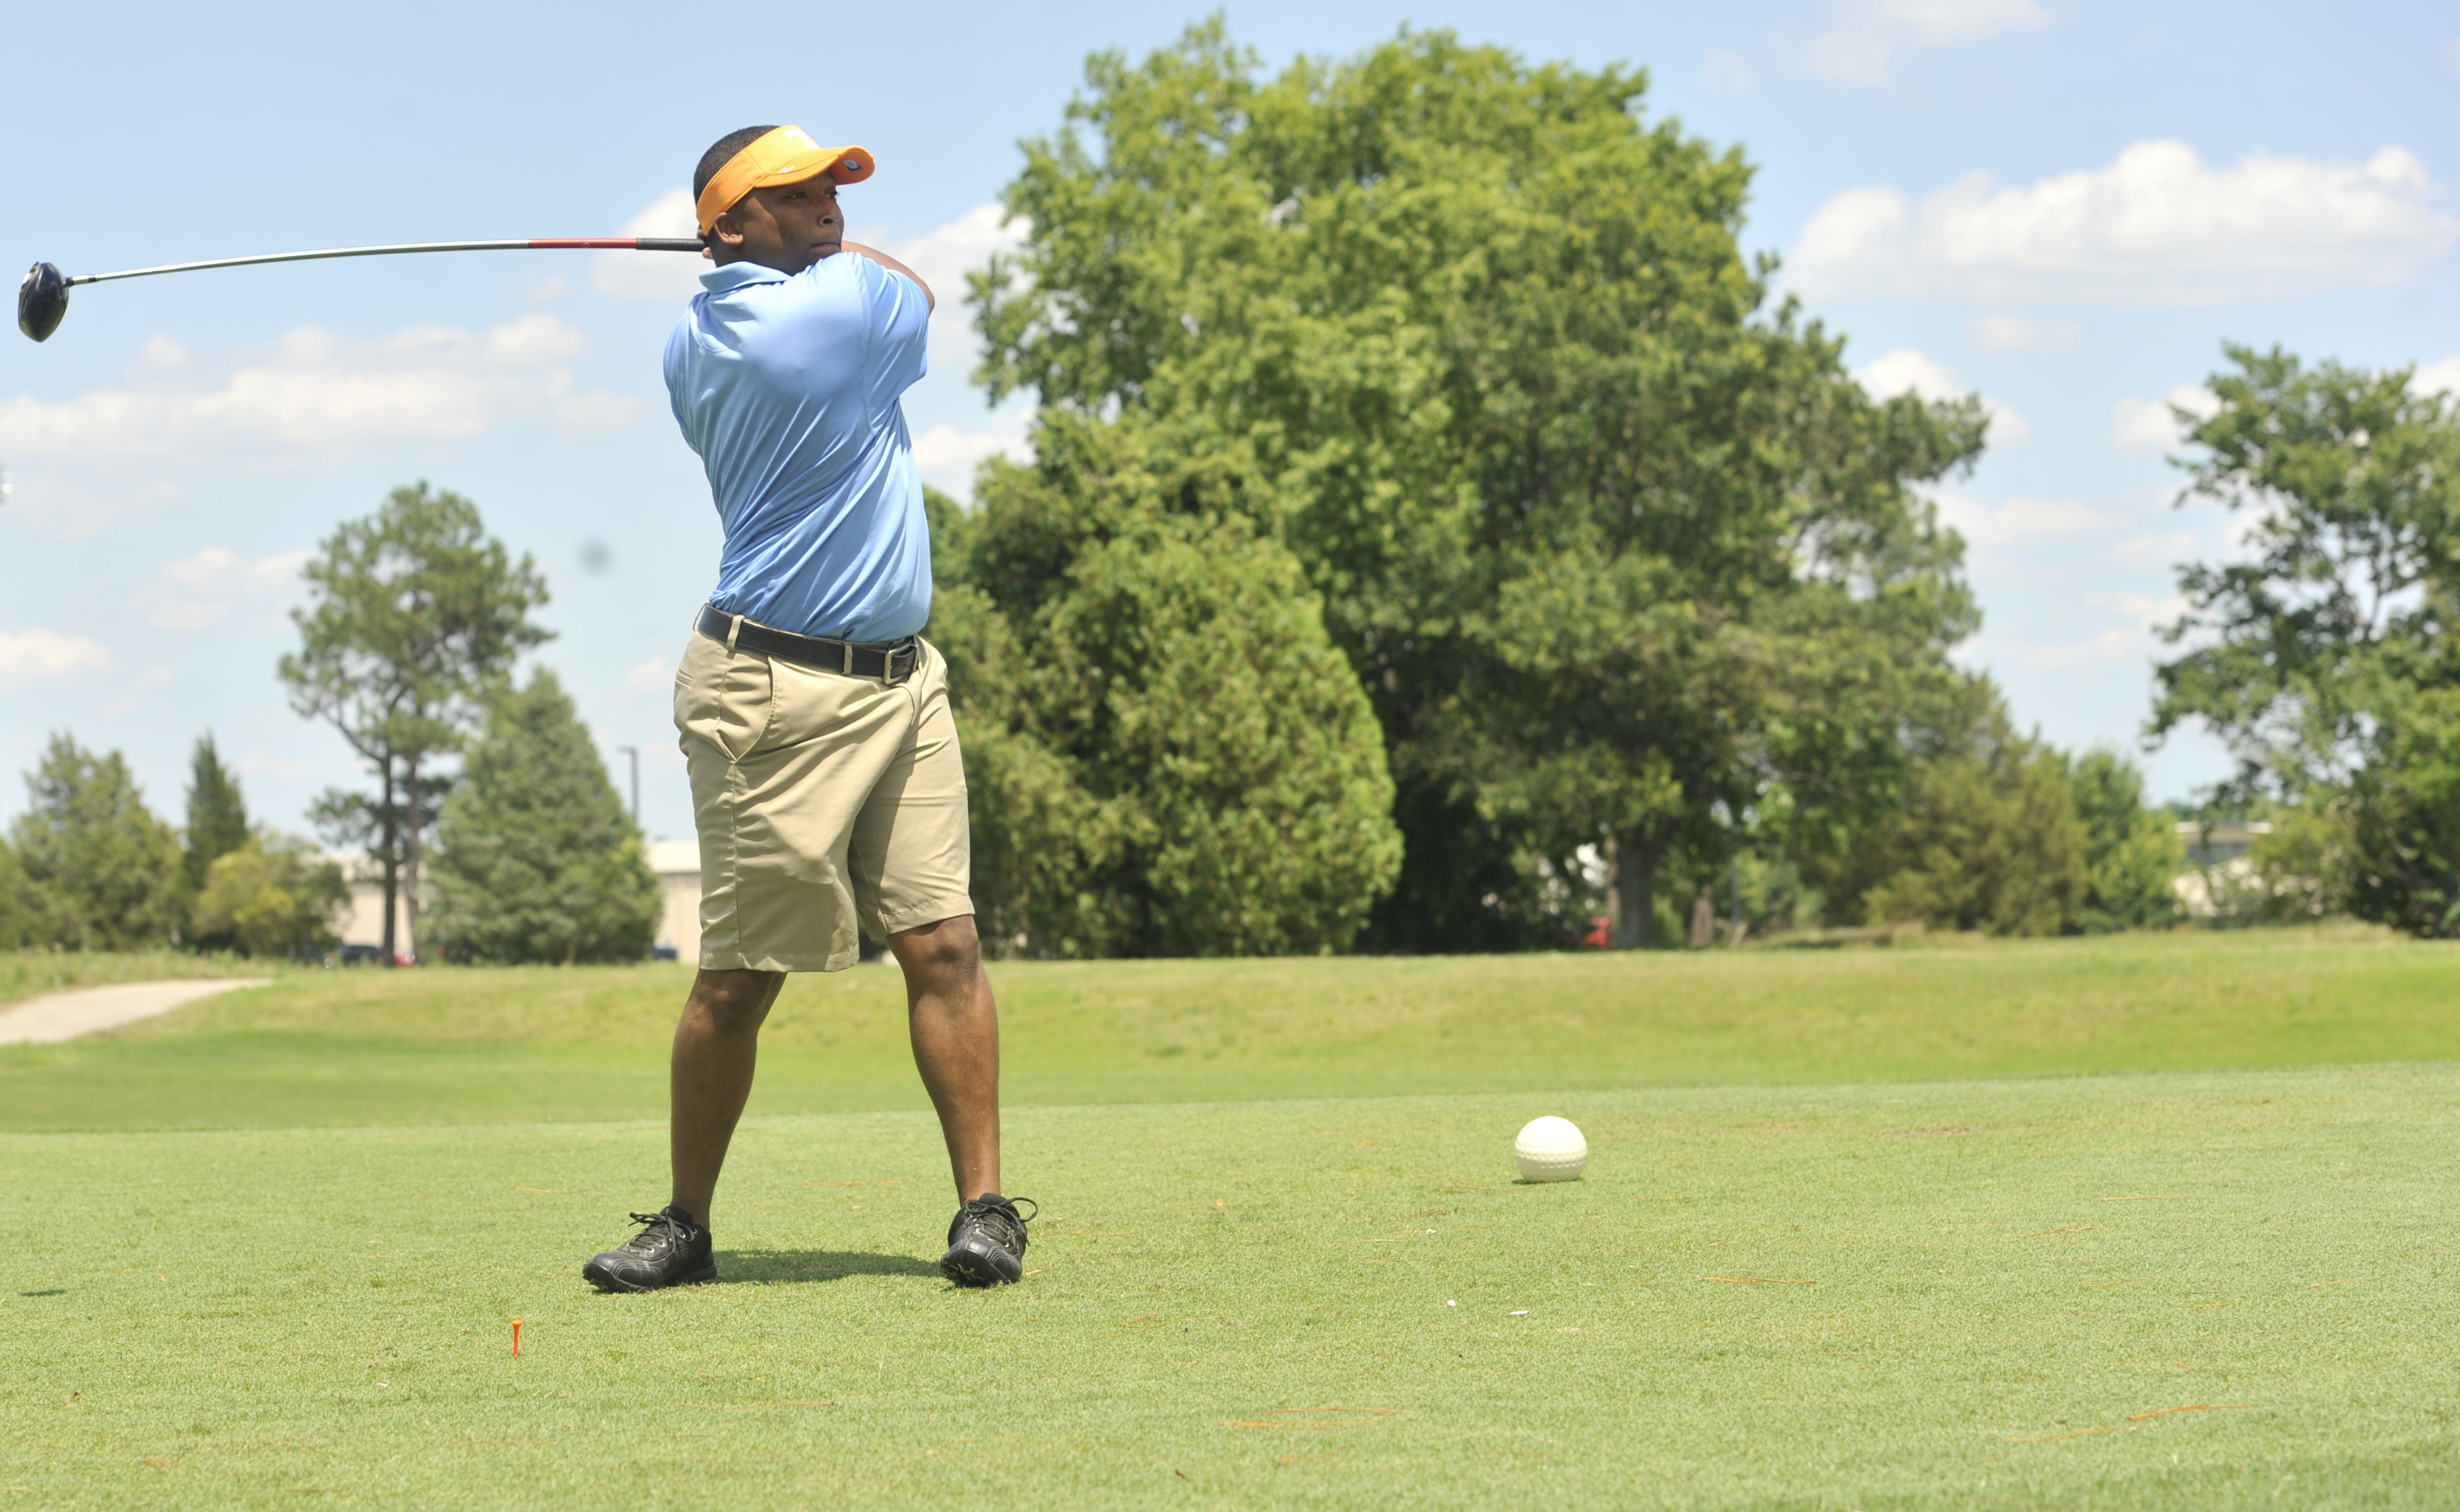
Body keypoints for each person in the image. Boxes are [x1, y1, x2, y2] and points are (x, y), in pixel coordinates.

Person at [583, 125, 1029, 1292]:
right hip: (771, 694)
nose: (828, 201)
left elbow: (841, 272)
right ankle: (685, 1225)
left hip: (903, 681)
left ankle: (987, 1212)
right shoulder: (827, 316)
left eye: (832, 184)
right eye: (792, 192)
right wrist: (839, 254)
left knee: (945, 942)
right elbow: (917, 287)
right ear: (730, 225)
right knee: (740, 976)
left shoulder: (695, 336)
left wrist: (775, 249)